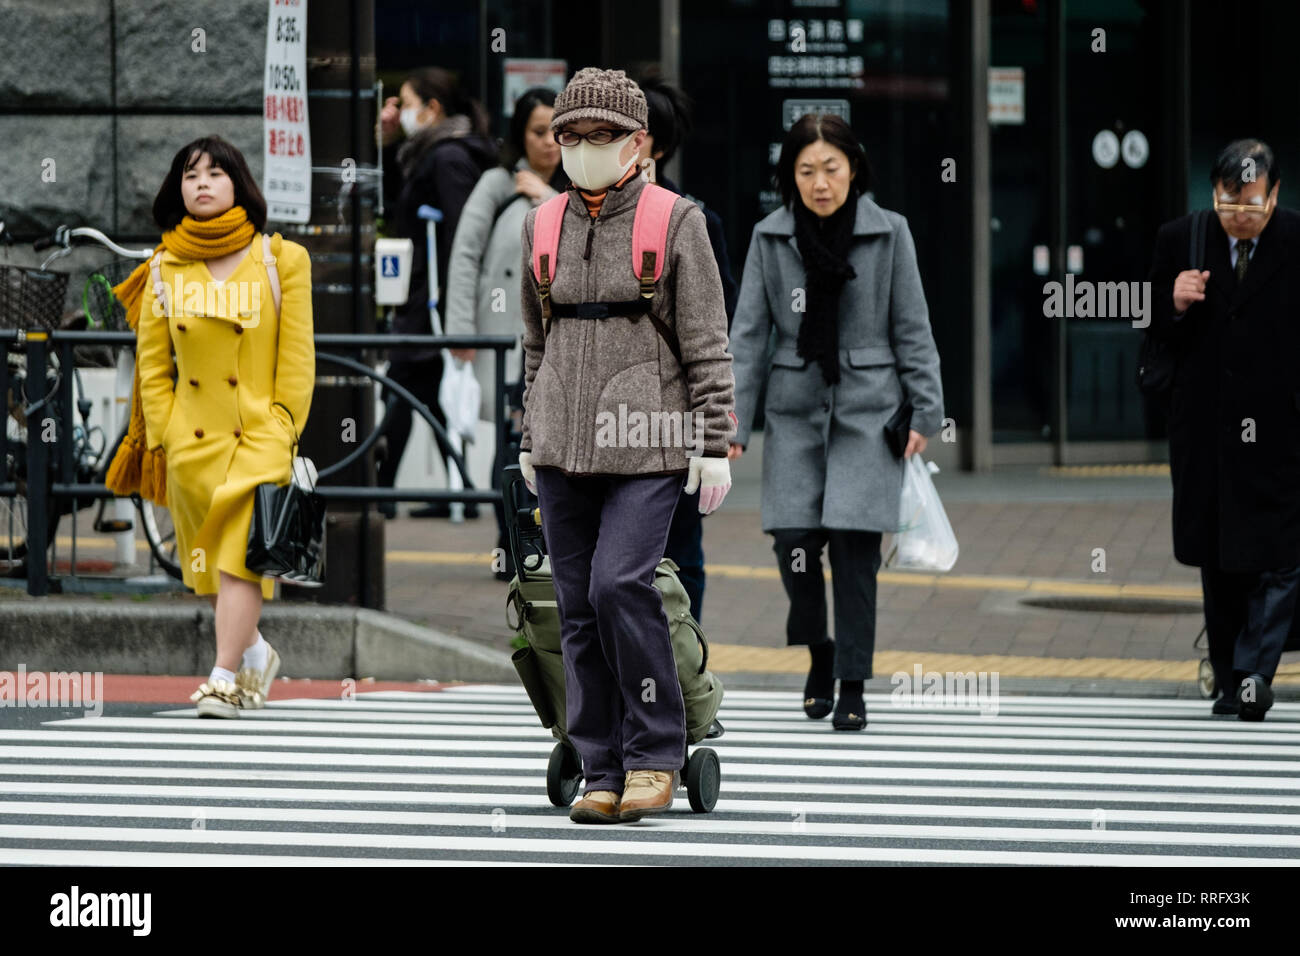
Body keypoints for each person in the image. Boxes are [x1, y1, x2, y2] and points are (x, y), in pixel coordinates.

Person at [517, 69, 736, 823]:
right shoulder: (541, 224)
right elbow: (534, 343)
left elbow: (709, 344)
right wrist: (528, 430)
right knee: (576, 606)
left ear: (638, 143)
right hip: (559, 448)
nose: (580, 149)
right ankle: (600, 767)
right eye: (567, 135)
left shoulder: (678, 222)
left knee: (619, 586)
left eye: (599, 137)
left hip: (651, 444)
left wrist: (713, 441)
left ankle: (654, 752)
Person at [729, 113, 944, 731]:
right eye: (806, 171)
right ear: (789, 178)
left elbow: (913, 328)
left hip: (868, 412)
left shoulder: (889, 232)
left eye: (831, 168)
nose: (820, 183)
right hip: (795, 412)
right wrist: (734, 422)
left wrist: (926, 409)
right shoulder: (771, 236)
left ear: (854, 167)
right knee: (793, 542)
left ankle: (852, 681)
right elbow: (747, 338)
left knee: (854, 554)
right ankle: (819, 653)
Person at [126, 135, 314, 718]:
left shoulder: (282, 260)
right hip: (191, 445)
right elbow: (152, 367)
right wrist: (166, 433)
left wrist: (282, 425)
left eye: (215, 173)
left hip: (258, 437)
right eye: (190, 175)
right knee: (214, 571)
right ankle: (255, 653)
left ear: (239, 184)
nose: (201, 183)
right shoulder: (161, 267)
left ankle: (223, 677)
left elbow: (298, 358)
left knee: (240, 558)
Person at [1147, 138, 1299, 722]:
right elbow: (1150, 320)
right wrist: (1173, 302)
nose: (1240, 215)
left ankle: (1255, 675)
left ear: (1274, 194)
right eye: (1229, 202)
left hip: (1281, 428)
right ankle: (1229, 675)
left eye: (1252, 204)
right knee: (1220, 553)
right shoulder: (1180, 237)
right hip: (1207, 429)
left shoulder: (1295, 240)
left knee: (1283, 554)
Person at [443, 86, 568, 580]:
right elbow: (464, 254)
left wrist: (549, 198)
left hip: (557, 341)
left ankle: (537, 538)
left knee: (545, 444)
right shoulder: (497, 183)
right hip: (502, 336)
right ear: (520, 134)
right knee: (510, 441)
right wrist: (460, 331)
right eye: (538, 132)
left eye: (556, 132)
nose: (549, 143)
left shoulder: (577, 185)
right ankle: (511, 540)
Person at [636, 72, 738, 623]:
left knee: (681, 548)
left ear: (655, 142)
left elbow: (715, 329)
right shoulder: (570, 215)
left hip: (673, 414)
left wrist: (719, 425)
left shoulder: (692, 218)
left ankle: (683, 670)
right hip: (599, 419)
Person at [377, 67, 495, 518]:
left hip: (434, 296)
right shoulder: (428, 151)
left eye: (405, 104)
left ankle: (383, 492)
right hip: (426, 292)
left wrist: (454, 303)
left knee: (401, 382)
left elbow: (462, 234)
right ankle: (457, 490)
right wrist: (389, 144)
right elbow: (397, 204)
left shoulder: (447, 157)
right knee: (424, 388)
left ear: (433, 109)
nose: (400, 113)